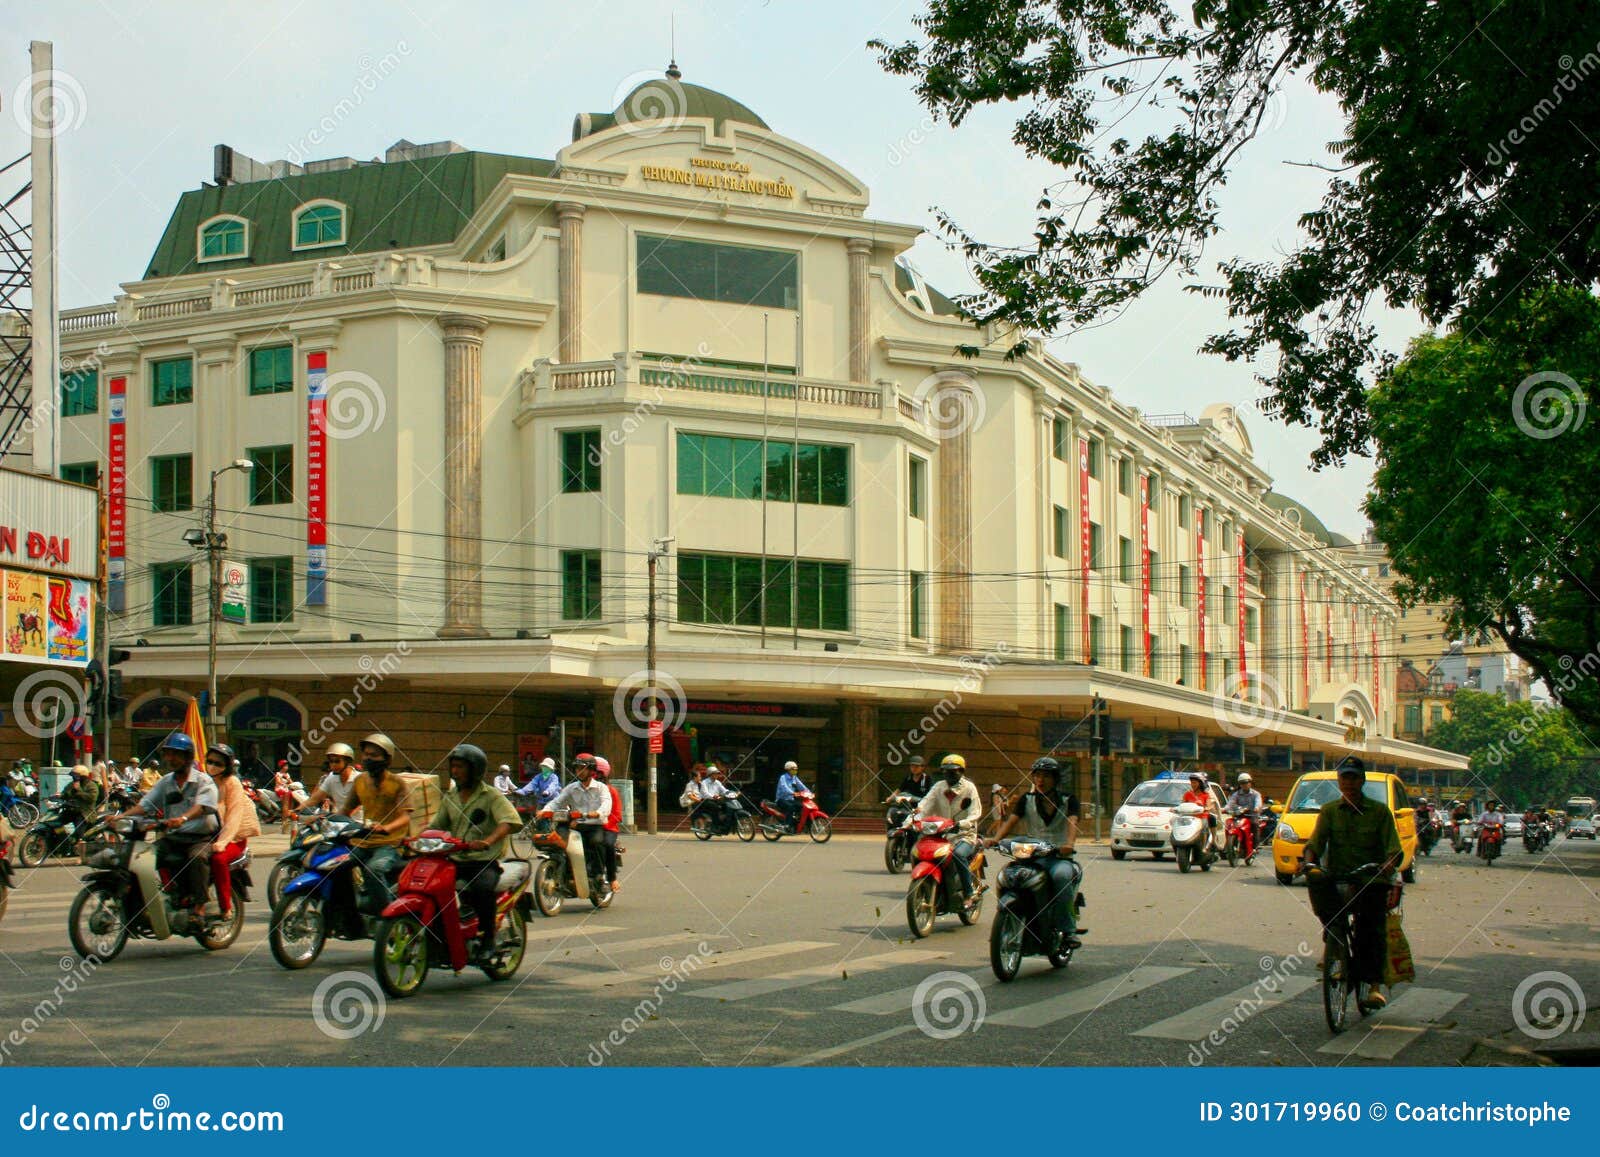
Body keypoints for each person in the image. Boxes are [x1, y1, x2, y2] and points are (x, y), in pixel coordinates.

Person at [1303, 758, 1403, 1011]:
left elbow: (1394, 849)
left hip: (1370, 878)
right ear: (1339, 781)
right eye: (1344, 778)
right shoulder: (1329, 811)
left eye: (1353, 778)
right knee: (1317, 883)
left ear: (1362, 781)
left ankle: (1373, 986)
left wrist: (1388, 864)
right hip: (1338, 876)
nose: (1349, 783)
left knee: (1370, 929)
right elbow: (1315, 843)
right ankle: (1334, 939)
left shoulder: (1380, 812)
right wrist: (1309, 862)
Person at [428, 743, 520, 957]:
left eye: (460, 767)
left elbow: (509, 821)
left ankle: (488, 938)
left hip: (482, 861)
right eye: (453, 767)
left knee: (481, 888)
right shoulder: (450, 796)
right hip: (455, 858)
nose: (455, 772)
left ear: (475, 769)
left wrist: (488, 840)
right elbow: (436, 826)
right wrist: (416, 839)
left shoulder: (492, 796)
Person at [117, 733, 220, 915]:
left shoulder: (203, 781)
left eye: (175, 754)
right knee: (140, 858)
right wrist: (121, 817)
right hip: (173, 838)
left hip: (200, 838)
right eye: (168, 754)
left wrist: (183, 818)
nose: (170, 759)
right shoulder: (166, 781)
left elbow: (203, 806)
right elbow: (145, 805)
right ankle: (139, 904)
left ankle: (200, 905)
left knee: (197, 858)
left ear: (188, 757)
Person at [989, 756, 1082, 948]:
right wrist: (995, 840)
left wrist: (1069, 843)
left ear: (1055, 779)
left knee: (1062, 877)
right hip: (1032, 854)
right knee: (1009, 875)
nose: (1040, 780)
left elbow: (1072, 822)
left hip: (1058, 856)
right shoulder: (1026, 799)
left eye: (1046, 776)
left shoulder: (1068, 800)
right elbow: (1012, 821)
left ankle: (1069, 931)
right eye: (1037, 775)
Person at [346, 733, 413, 915]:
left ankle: (388, 916)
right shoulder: (360, 781)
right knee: (335, 864)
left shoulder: (397, 783)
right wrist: (325, 820)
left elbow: (405, 816)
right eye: (366, 754)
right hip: (363, 841)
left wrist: (386, 828)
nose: (368, 758)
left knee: (373, 869)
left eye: (374, 755)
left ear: (387, 759)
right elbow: (345, 810)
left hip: (389, 843)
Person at [909, 755, 982, 903]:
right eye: (945, 771)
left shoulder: (969, 788)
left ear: (961, 771)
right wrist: (911, 820)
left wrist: (963, 823)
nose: (949, 775)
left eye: (953, 771)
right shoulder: (938, 787)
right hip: (940, 834)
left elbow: (975, 813)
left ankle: (969, 893)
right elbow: (925, 805)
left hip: (963, 835)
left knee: (958, 854)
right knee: (917, 849)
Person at [541, 753, 611, 891]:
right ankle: (564, 871)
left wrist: (598, 813)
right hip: (575, 825)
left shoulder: (601, 788)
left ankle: (598, 876)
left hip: (594, 825)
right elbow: (557, 802)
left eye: (582, 768)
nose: (578, 771)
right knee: (559, 841)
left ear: (591, 771)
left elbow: (606, 804)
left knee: (596, 842)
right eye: (577, 768)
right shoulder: (571, 788)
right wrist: (544, 810)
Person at [205, 744, 259, 920]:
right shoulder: (204, 781)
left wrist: (223, 841)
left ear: (227, 766)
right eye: (210, 761)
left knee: (218, 859)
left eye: (218, 763)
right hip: (205, 835)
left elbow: (235, 815)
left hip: (233, 839)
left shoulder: (232, 783)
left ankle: (225, 906)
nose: (212, 766)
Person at [295, 742, 360, 817]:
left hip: (359, 823)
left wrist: (337, 817)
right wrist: (296, 810)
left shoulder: (358, 778)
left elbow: (358, 805)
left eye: (337, 761)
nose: (333, 765)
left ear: (347, 761)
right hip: (341, 823)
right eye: (331, 761)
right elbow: (314, 799)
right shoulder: (331, 777)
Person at [593, 756, 624, 892]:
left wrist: (602, 822)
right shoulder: (584, 790)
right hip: (588, 826)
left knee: (606, 844)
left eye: (594, 773)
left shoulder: (611, 791)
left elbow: (617, 815)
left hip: (608, 828)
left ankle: (611, 878)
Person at [1183, 772, 1221, 852]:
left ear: (1200, 783)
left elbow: (1209, 804)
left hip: (1202, 817)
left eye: (1195, 782)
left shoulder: (1205, 795)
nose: (1192, 784)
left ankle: (1210, 842)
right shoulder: (1187, 794)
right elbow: (1182, 804)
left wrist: (1207, 808)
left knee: (1206, 825)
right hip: (1189, 818)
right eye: (1191, 782)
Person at [775, 761, 809, 830]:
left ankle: (794, 822)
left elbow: (801, 786)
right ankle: (787, 825)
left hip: (790, 799)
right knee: (791, 807)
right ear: (788, 769)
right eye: (793, 769)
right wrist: (793, 793)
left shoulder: (794, 777)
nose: (795, 771)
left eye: (796, 769)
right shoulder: (783, 777)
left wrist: (809, 792)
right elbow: (784, 788)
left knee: (801, 806)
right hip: (781, 800)